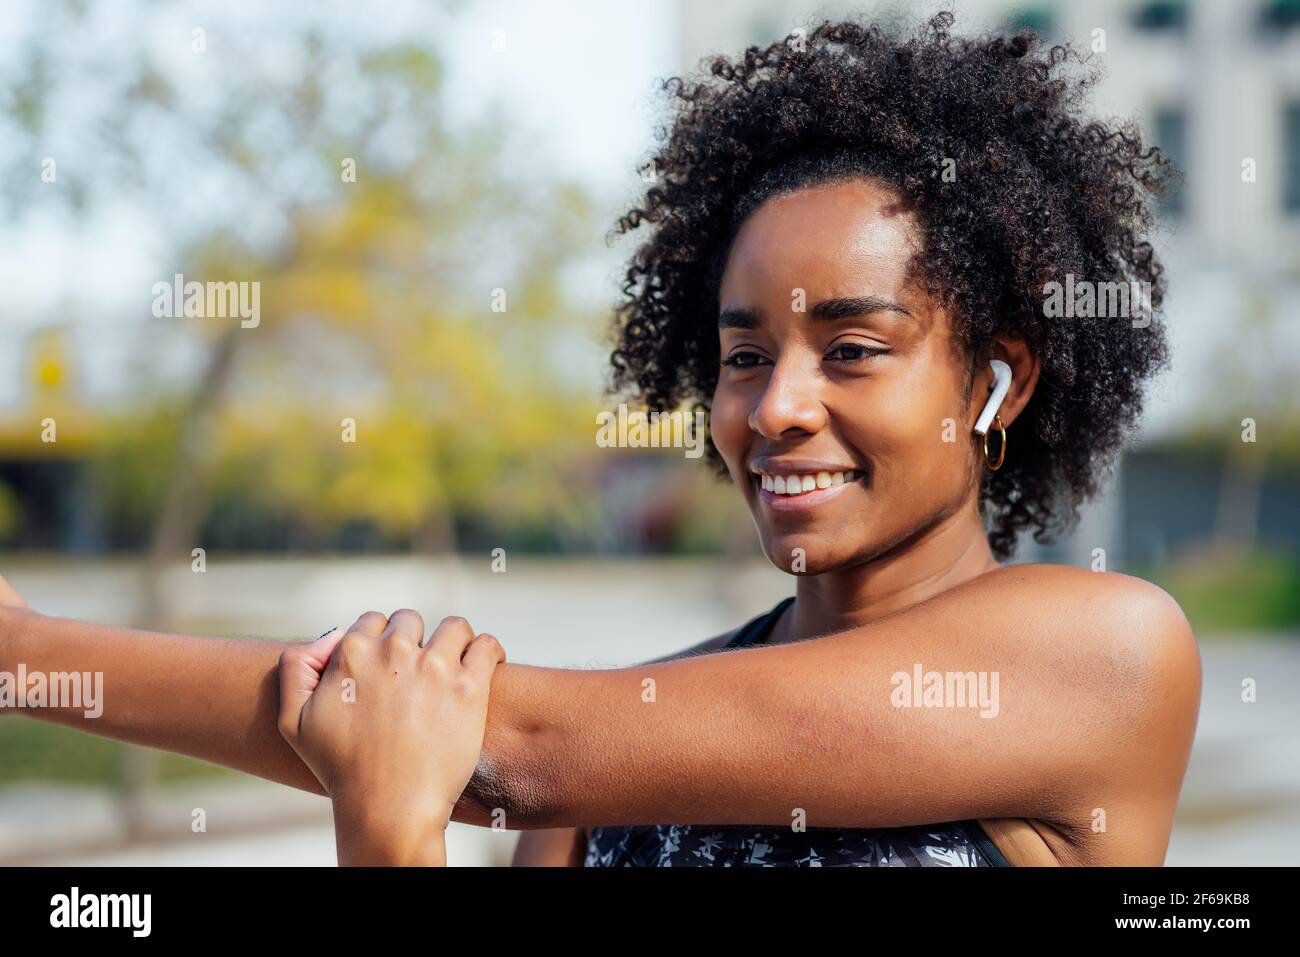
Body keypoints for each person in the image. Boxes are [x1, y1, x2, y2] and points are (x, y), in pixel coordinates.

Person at [0, 16, 1201, 866]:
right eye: (741, 356)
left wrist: (26, 653)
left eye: (852, 348)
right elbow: (486, 757)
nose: (776, 406)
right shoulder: (615, 765)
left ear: (995, 383)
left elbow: (511, 745)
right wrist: (387, 830)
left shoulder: (1105, 652)